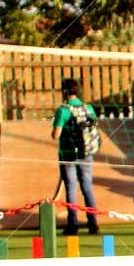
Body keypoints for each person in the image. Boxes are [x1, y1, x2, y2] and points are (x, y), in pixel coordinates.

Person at [51, 79, 100, 235]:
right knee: (87, 186)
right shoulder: (89, 108)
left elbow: (55, 134)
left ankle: (73, 224)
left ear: (64, 92)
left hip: (68, 154)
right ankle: (93, 223)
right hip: (87, 153)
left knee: (71, 187)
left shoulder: (63, 110)